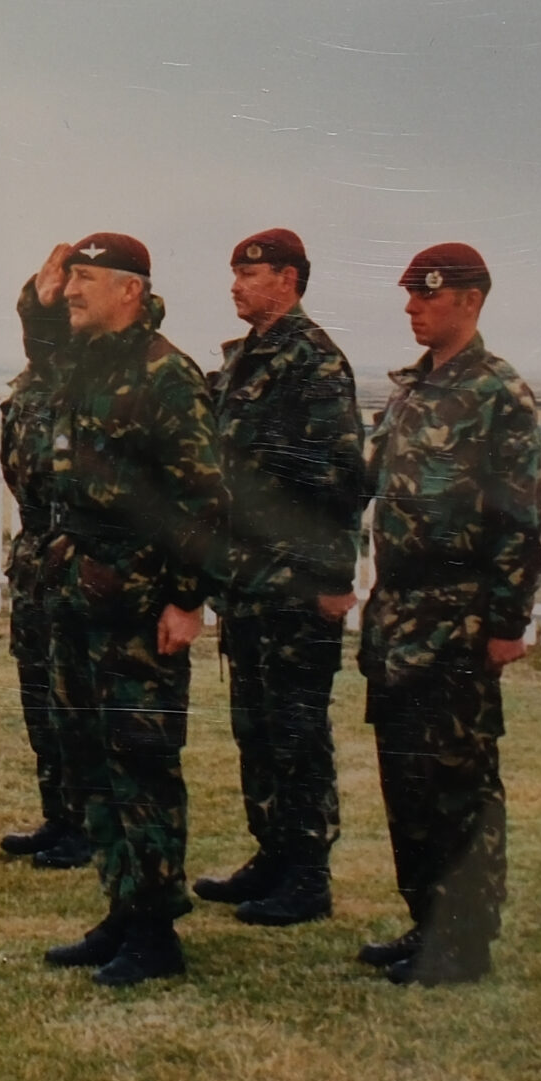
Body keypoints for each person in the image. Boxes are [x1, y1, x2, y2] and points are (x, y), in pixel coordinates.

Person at [18, 236, 228, 986]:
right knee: (91, 761)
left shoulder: (167, 376)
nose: (72, 290)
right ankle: (120, 908)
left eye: (86, 280)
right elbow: (43, 353)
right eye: (70, 279)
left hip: (141, 603)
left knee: (141, 762)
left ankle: (156, 932)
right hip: (82, 590)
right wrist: (37, 297)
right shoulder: (88, 362)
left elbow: (204, 497)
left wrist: (187, 600)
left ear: (131, 291)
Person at [356, 244, 541, 986]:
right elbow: (367, 474)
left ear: (468, 300)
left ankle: (464, 941)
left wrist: (507, 622)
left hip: (460, 613)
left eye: (427, 297)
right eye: (409, 297)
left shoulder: (500, 394)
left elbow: (520, 521)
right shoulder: (410, 391)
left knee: (459, 783)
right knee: (407, 781)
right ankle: (425, 922)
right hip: (398, 612)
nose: (413, 308)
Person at [195, 229, 368, 928]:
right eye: (234, 271)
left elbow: (342, 477)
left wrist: (331, 576)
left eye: (252, 272)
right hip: (247, 579)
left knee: (296, 728)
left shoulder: (313, 361)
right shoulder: (244, 362)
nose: (237, 284)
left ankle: (308, 872)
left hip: (296, 580)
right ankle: (271, 852)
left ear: (289, 280)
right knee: (256, 725)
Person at [0, 288, 89, 871]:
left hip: (74, 555)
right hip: (35, 558)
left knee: (75, 697)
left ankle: (85, 824)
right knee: (40, 697)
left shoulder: (82, 379)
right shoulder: (31, 385)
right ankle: (58, 817)